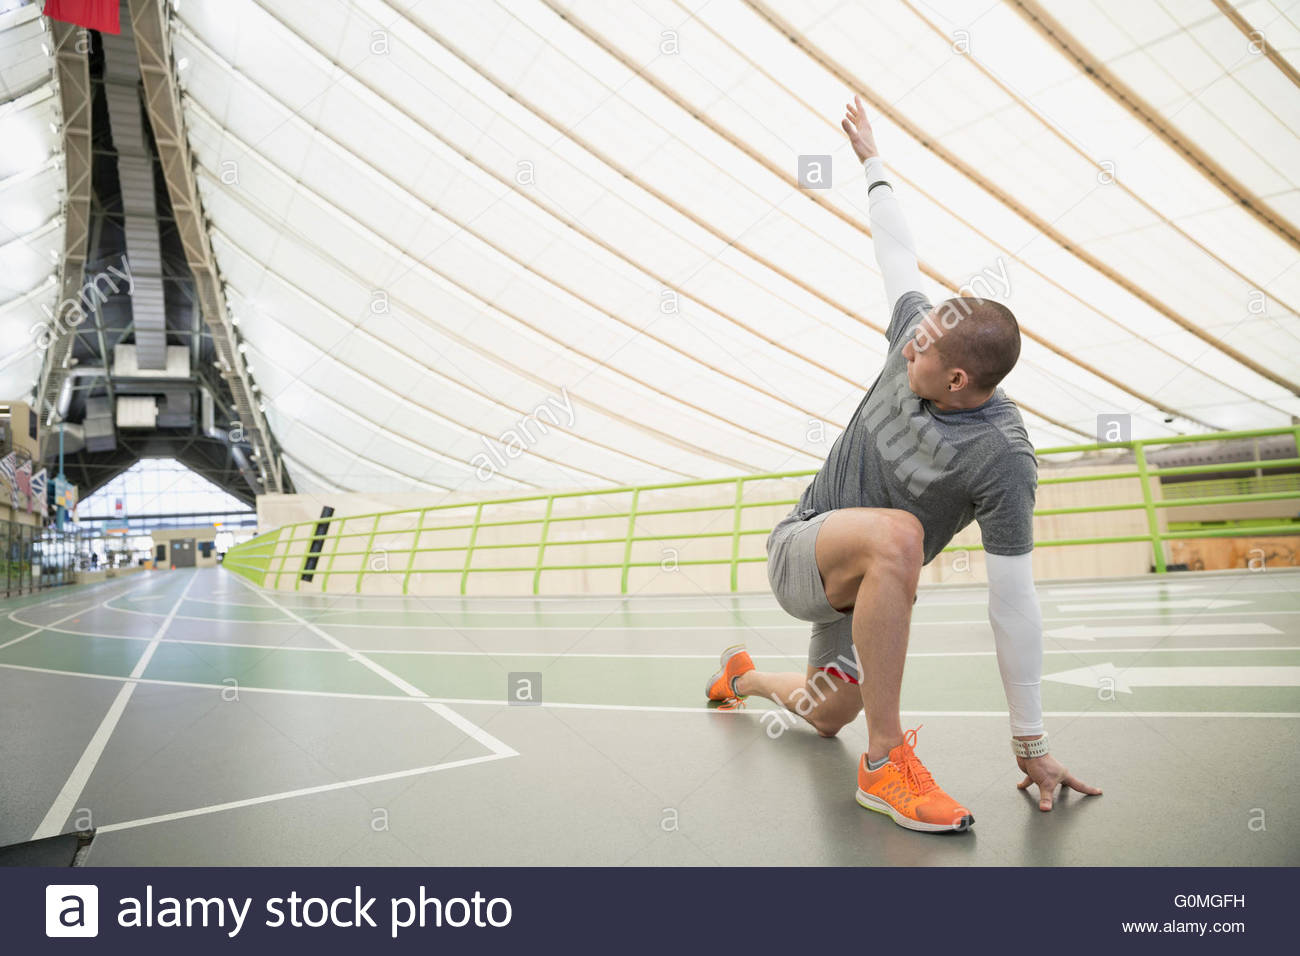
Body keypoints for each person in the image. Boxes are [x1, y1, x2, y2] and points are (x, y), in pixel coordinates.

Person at [706, 96, 1101, 833]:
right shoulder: (919, 335)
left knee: (826, 716)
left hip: (863, 595)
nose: (908, 345)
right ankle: (887, 762)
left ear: (959, 382)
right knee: (899, 535)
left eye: (921, 352)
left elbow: (1013, 601)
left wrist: (1031, 741)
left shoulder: (1003, 459)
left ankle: (743, 675)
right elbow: (895, 250)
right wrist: (872, 162)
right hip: (806, 546)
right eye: (914, 335)